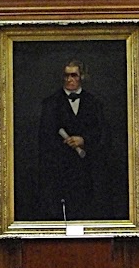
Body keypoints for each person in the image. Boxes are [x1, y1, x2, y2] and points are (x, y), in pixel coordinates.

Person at [35, 60, 118, 221]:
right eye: (66, 75)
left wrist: (83, 140)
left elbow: (103, 135)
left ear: (82, 77)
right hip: (60, 171)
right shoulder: (50, 104)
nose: (69, 79)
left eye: (74, 75)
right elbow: (44, 138)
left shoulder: (94, 103)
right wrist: (65, 144)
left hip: (87, 171)